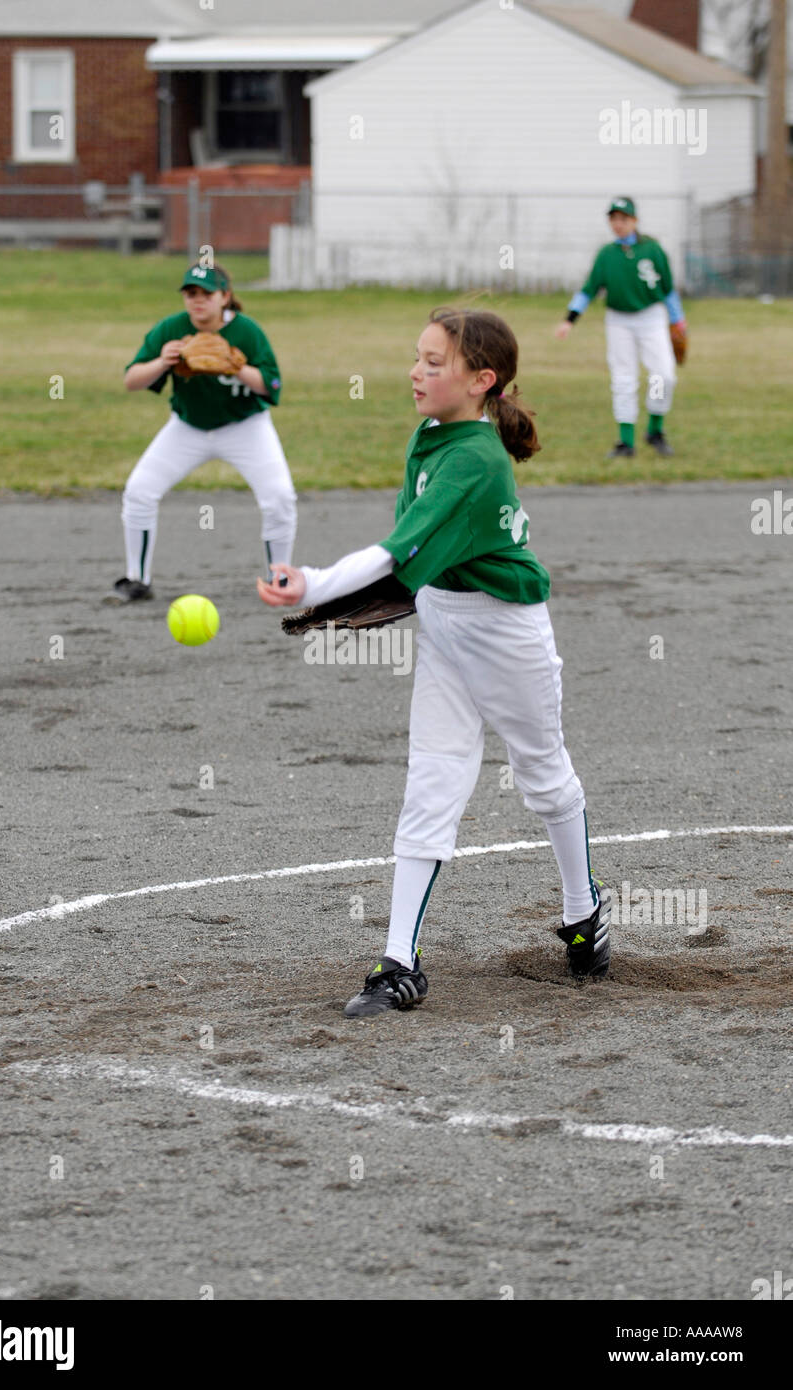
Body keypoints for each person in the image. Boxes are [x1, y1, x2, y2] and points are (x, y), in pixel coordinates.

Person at [258, 307, 611, 1018]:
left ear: (483, 380)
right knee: (433, 779)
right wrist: (403, 593)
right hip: (447, 622)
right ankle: (399, 964)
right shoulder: (431, 433)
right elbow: (409, 551)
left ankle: (583, 913)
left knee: (541, 773)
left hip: (506, 633)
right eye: (416, 357)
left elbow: (395, 551)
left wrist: (317, 583)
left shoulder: (476, 460)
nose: (415, 372)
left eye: (433, 362)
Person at [110, 262, 296, 602]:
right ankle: (137, 579)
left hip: (246, 427)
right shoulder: (172, 329)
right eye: (190, 293)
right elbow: (131, 380)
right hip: (187, 428)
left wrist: (238, 367)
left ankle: (280, 580)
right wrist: (162, 362)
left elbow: (272, 387)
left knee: (280, 497)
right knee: (139, 490)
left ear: (225, 297)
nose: (197, 301)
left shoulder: (247, 332)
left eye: (206, 294)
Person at [555, 196, 686, 459]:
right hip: (619, 320)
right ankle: (626, 443)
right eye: (613, 219)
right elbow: (589, 289)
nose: (618, 224)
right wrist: (569, 320)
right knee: (623, 378)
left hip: (651, 316)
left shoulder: (653, 249)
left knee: (664, 375)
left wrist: (678, 320)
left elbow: (668, 289)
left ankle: (655, 431)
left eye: (623, 219)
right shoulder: (607, 254)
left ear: (634, 220)